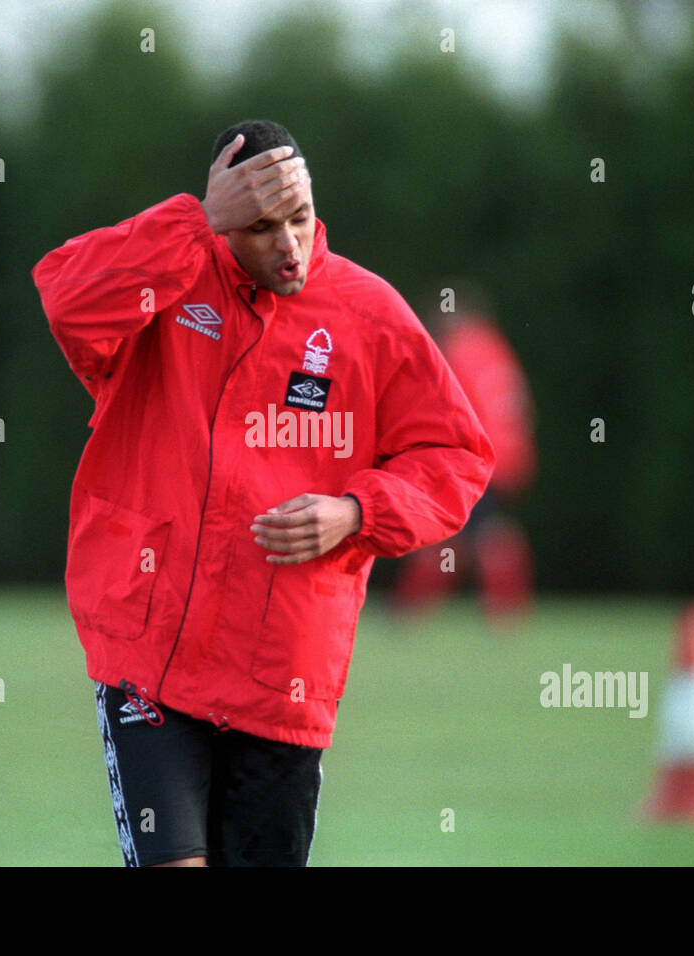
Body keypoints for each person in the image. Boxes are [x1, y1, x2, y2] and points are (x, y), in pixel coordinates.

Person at [31, 120, 494, 867]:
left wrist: (356, 512)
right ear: (221, 223)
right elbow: (66, 300)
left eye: (300, 218)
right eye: (259, 226)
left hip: (284, 674)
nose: (290, 245)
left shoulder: (368, 314)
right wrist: (193, 221)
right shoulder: (170, 276)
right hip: (150, 659)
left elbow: (459, 454)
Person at [392, 292, 537, 623]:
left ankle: (412, 607)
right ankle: (501, 610)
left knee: (470, 533)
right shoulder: (495, 347)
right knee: (469, 532)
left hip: (478, 456)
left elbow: (445, 406)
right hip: (510, 456)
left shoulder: (458, 350)